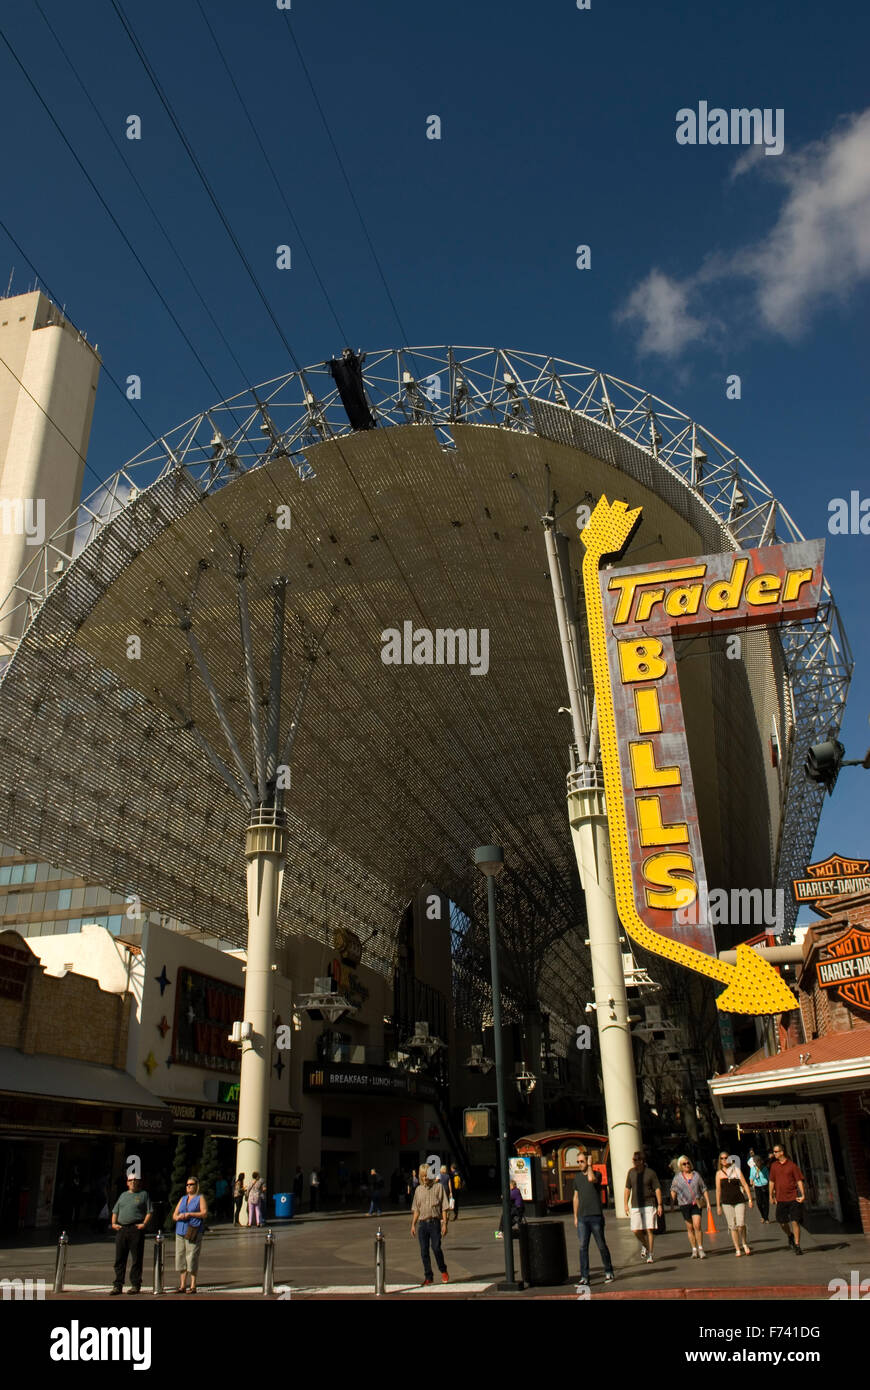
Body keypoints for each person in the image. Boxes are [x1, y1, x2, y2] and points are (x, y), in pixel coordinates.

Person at [573, 1148, 614, 1285]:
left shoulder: (596, 1173)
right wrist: (575, 1216)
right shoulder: (577, 1178)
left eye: (582, 1161)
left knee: (601, 1245)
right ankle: (584, 1276)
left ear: (588, 1161)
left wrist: (590, 1165)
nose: (580, 1164)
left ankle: (608, 1271)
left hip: (595, 1216)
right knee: (582, 1247)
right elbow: (576, 1197)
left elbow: (591, 1179)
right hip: (582, 1218)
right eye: (578, 1162)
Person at [110, 1174, 153, 1295]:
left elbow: (150, 1211)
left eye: (135, 1180)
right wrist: (113, 1223)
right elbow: (115, 1210)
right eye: (130, 1180)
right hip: (122, 1229)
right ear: (127, 1183)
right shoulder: (123, 1195)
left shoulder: (143, 1194)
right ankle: (117, 1285)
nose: (133, 1182)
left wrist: (144, 1224)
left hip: (136, 1228)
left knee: (136, 1258)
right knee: (119, 1258)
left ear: (139, 1182)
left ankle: (135, 1284)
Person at [410, 1162, 450, 1285]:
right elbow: (416, 1209)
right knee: (424, 1251)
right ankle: (428, 1276)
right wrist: (413, 1225)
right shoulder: (418, 1190)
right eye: (422, 1176)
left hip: (435, 1222)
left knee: (436, 1248)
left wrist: (445, 1224)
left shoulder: (438, 1187)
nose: (425, 1178)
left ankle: (443, 1269)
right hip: (422, 1224)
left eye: (426, 1175)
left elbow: (444, 1207)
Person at [624, 1151, 663, 1263]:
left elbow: (657, 1189)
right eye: (633, 1160)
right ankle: (645, 1245)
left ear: (641, 1161)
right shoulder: (631, 1173)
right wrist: (625, 1204)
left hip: (649, 1204)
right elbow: (627, 1189)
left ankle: (650, 1254)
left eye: (636, 1160)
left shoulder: (650, 1173)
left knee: (649, 1229)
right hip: (636, 1205)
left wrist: (659, 1204)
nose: (634, 1162)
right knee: (636, 1230)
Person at [670, 1156, 711, 1259]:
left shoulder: (696, 1175)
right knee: (690, 1228)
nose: (687, 1165)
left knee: (697, 1225)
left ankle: (700, 1248)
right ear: (680, 1166)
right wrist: (672, 1204)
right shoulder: (677, 1178)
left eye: (688, 1163)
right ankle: (694, 1249)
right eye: (684, 1164)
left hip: (696, 1203)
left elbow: (704, 1188)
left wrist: (708, 1202)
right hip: (684, 1204)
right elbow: (673, 1190)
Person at [769, 1144, 806, 1255]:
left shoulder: (792, 1166)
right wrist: (771, 1195)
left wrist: (803, 1194)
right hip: (781, 1198)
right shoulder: (774, 1166)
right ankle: (790, 1235)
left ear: (782, 1152)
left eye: (776, 1151)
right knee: (782, 1222)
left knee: (795, 1221)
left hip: (793, 1197)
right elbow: (771, 1181)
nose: (774, 1153)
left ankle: (797, 1245)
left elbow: (799, 1180)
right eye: (774, 1151)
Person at [172, 1176, 207, 1294]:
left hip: (193, 1230)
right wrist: (178, 1217)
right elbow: (174, 1215)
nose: (189, 1186)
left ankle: (193, 1284)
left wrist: (190, 1214)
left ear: (196, 1186)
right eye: (187, 1185)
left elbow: (204, 1213)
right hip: (180, 1230)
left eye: (191, 1184)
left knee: (191, 1256)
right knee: (180, 1256)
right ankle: (182, 1285)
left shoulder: (199, 1198)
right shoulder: (183, 1198)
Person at [715, 1152, 754, 1256]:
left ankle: (744, 1243)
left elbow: (745, 1184)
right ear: (720, 1160)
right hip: (727, 1202)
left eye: (726, 1158)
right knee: (732, 1226)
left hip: (739, 1200)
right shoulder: (718, 1174)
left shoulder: (736, 1170)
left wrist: (750, 1199)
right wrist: (718, 1205)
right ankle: (737, 1248)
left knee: (740, 1224)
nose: (724, 1160)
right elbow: (718, 1190)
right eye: (722, 1158)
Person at [748, 1149, 770, 1223]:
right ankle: (762, 1215)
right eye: (755, 1161)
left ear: (760, 1161)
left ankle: (766, 1218)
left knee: (766, 1202)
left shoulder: (764, 1168)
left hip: (765, 1185)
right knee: (759, 1202)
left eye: (758, 1161)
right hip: (757, 1186)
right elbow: (751, 1177)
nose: (757, 1163)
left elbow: (768, 1177)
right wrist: (751, 1181)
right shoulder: (753, 1169)